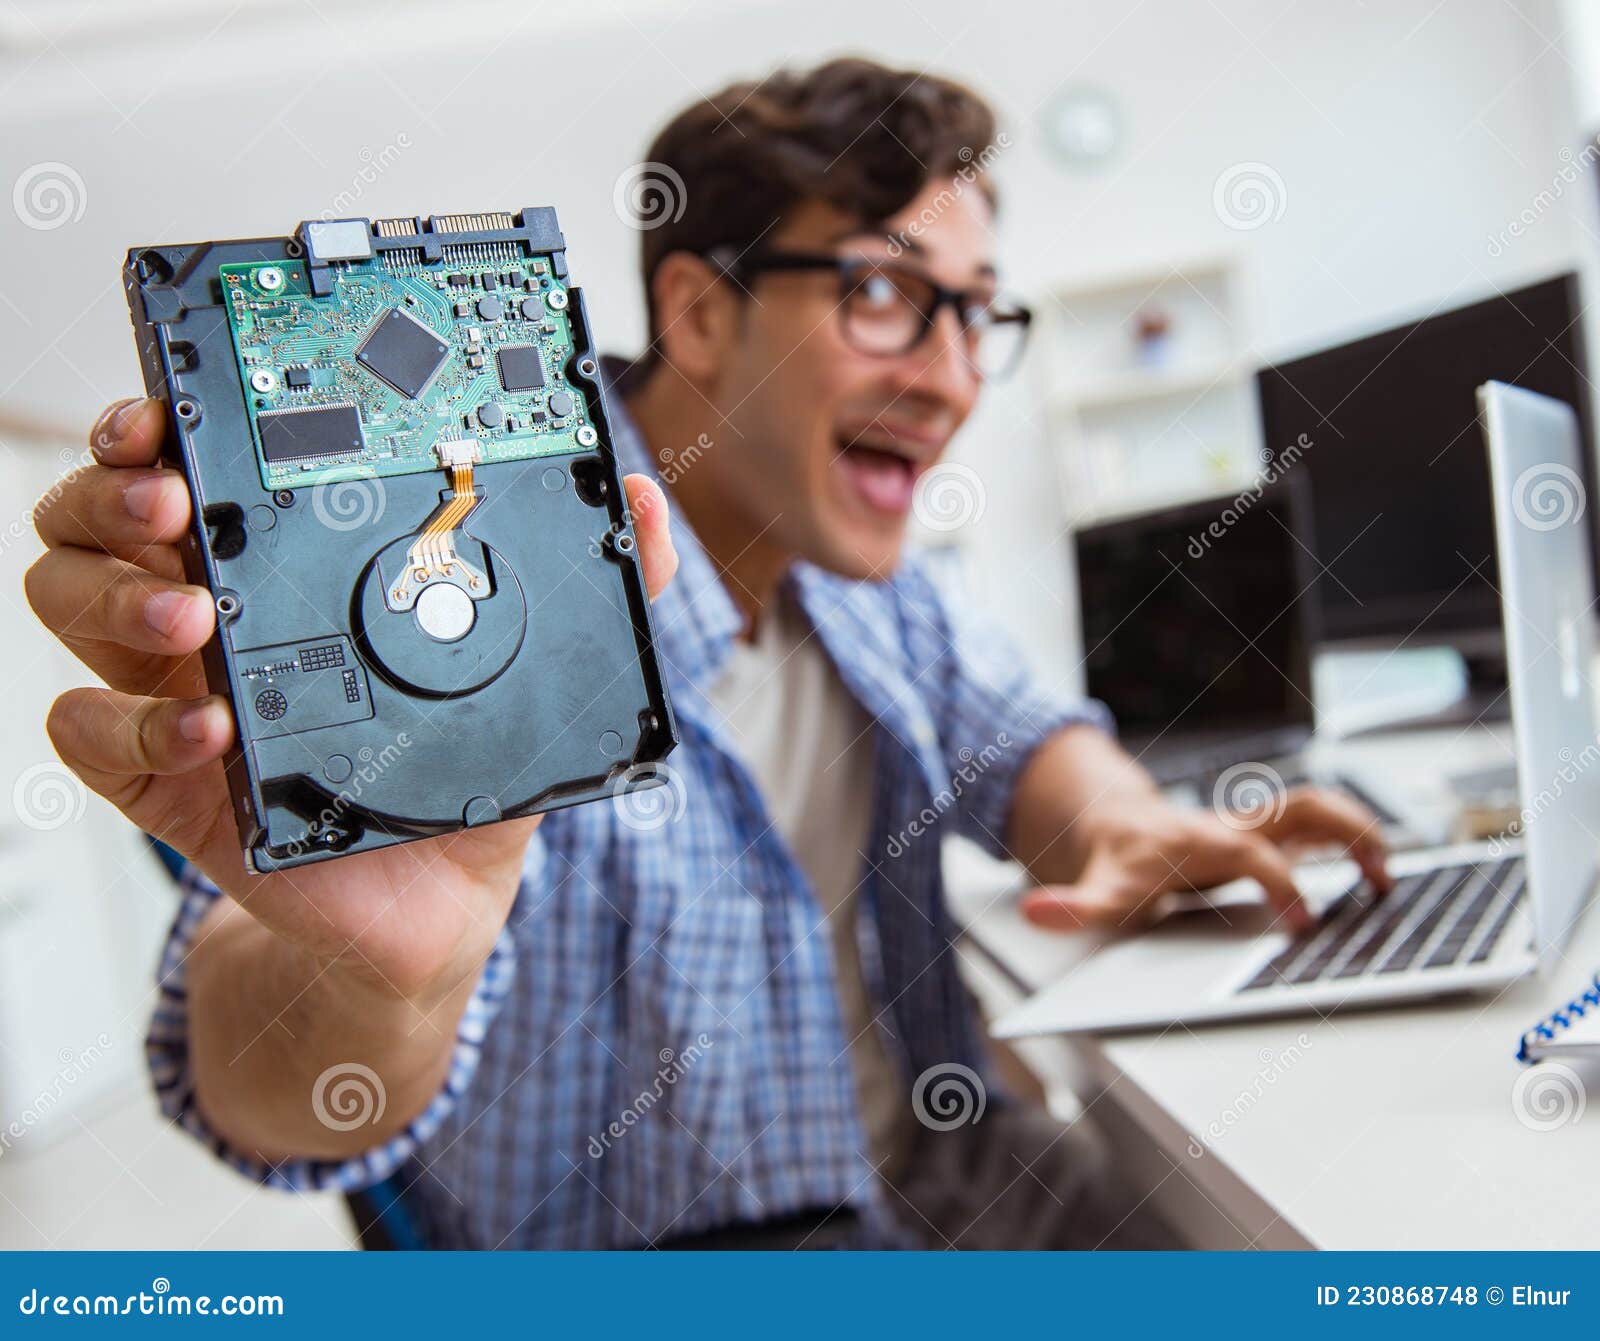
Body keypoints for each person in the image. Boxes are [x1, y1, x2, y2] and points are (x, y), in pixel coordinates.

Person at [27, 57, 1388, 1249]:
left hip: (958, 1192)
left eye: (977, 314)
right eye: (882, 294)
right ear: (694, 314)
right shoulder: (487, 586)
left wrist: (1121, 822)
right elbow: (254, 1072)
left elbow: (1027, 736)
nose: (953, 373)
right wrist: (389, 978)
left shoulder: (858, 580)